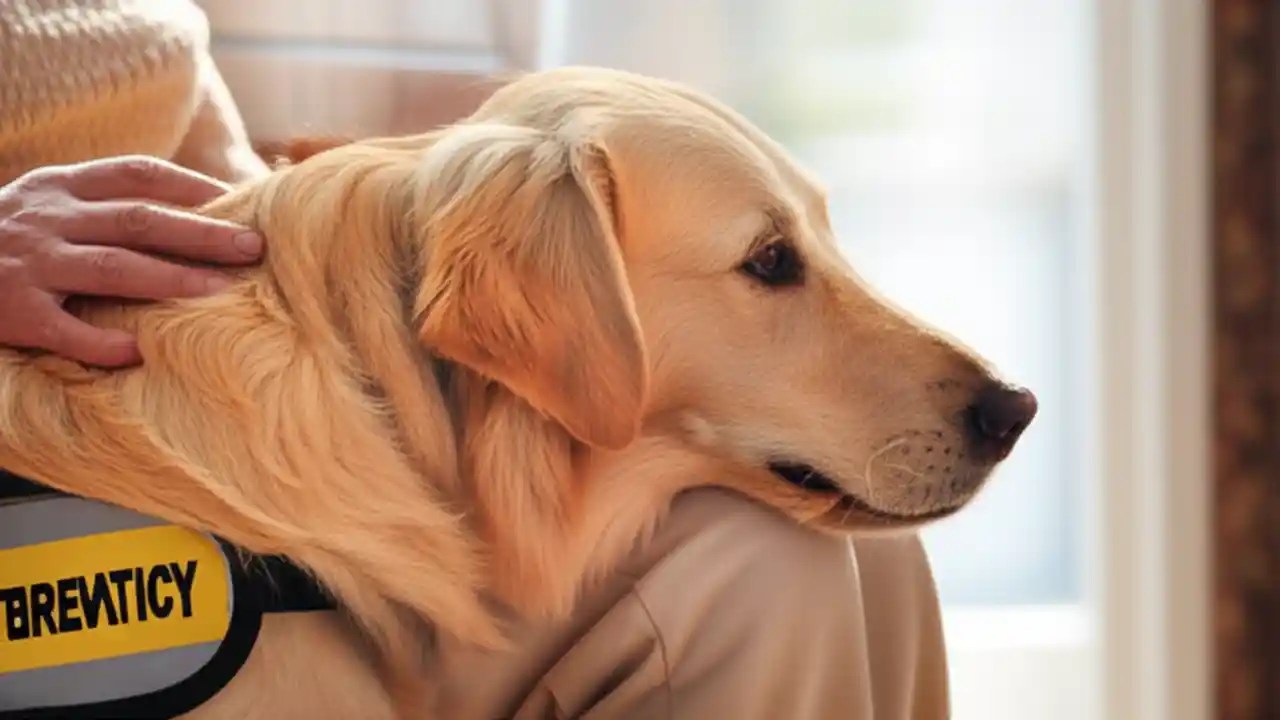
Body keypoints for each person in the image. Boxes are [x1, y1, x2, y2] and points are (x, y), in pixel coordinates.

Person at [0, 2, 949, 718]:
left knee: (837, 547)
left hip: (230, 398)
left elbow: (201, 171)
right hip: (61, 490)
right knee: (760, 580)